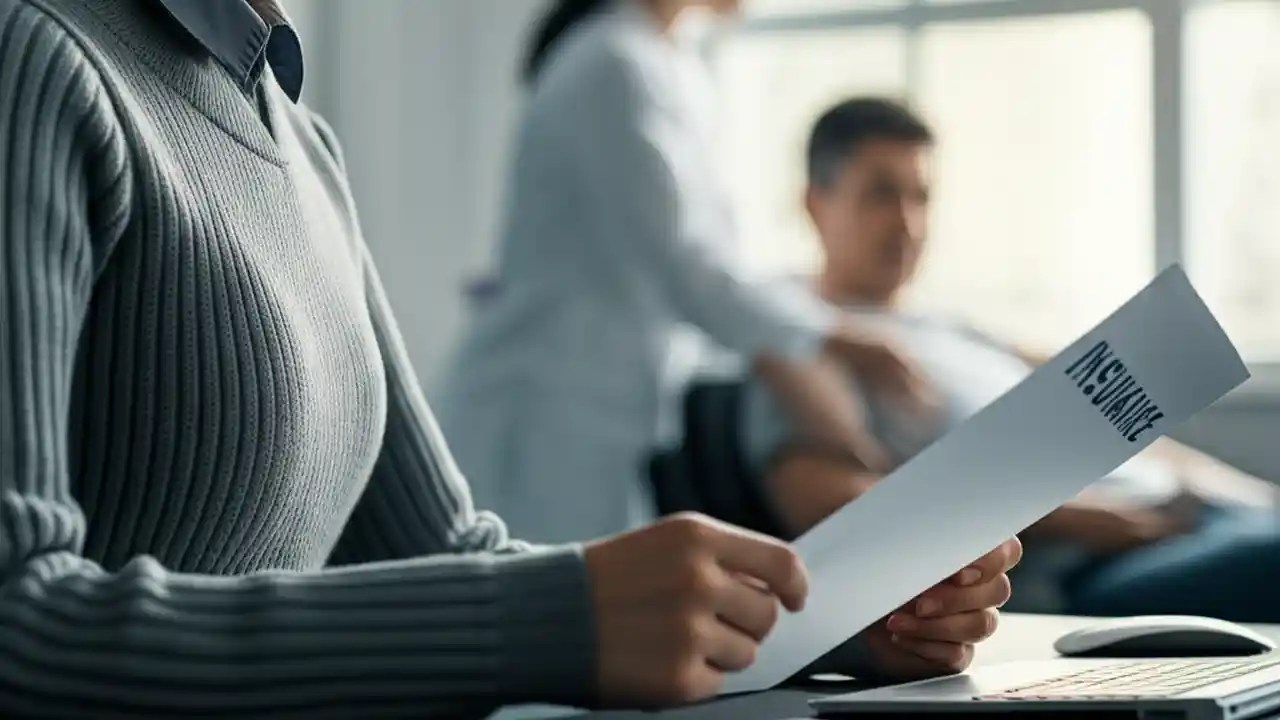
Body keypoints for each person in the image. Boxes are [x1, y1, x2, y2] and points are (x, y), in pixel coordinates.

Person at [0, 2, 1020, 715]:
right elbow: (18, 627)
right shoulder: (37, 62)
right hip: (550, 401)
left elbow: (453, 551)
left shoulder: (303, 144)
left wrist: (826, 623)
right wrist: (549, 617)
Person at [743, 96, 1280, 621]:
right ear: (816, 203)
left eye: (921, 197)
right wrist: (1076, 519)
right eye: (881, 194)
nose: (908, 224)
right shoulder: (798, 348)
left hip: (1193, 518)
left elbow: (1130, 431)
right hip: (1088, 566)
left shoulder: (957, 330)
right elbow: (832, 508)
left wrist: (1255, 497)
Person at [435, 0, 930, 545]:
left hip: (606, 418)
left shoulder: (668, 64)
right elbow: (689, 265)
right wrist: (833, 340)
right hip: (541, 418)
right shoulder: (613, 65)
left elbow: (702, 268)